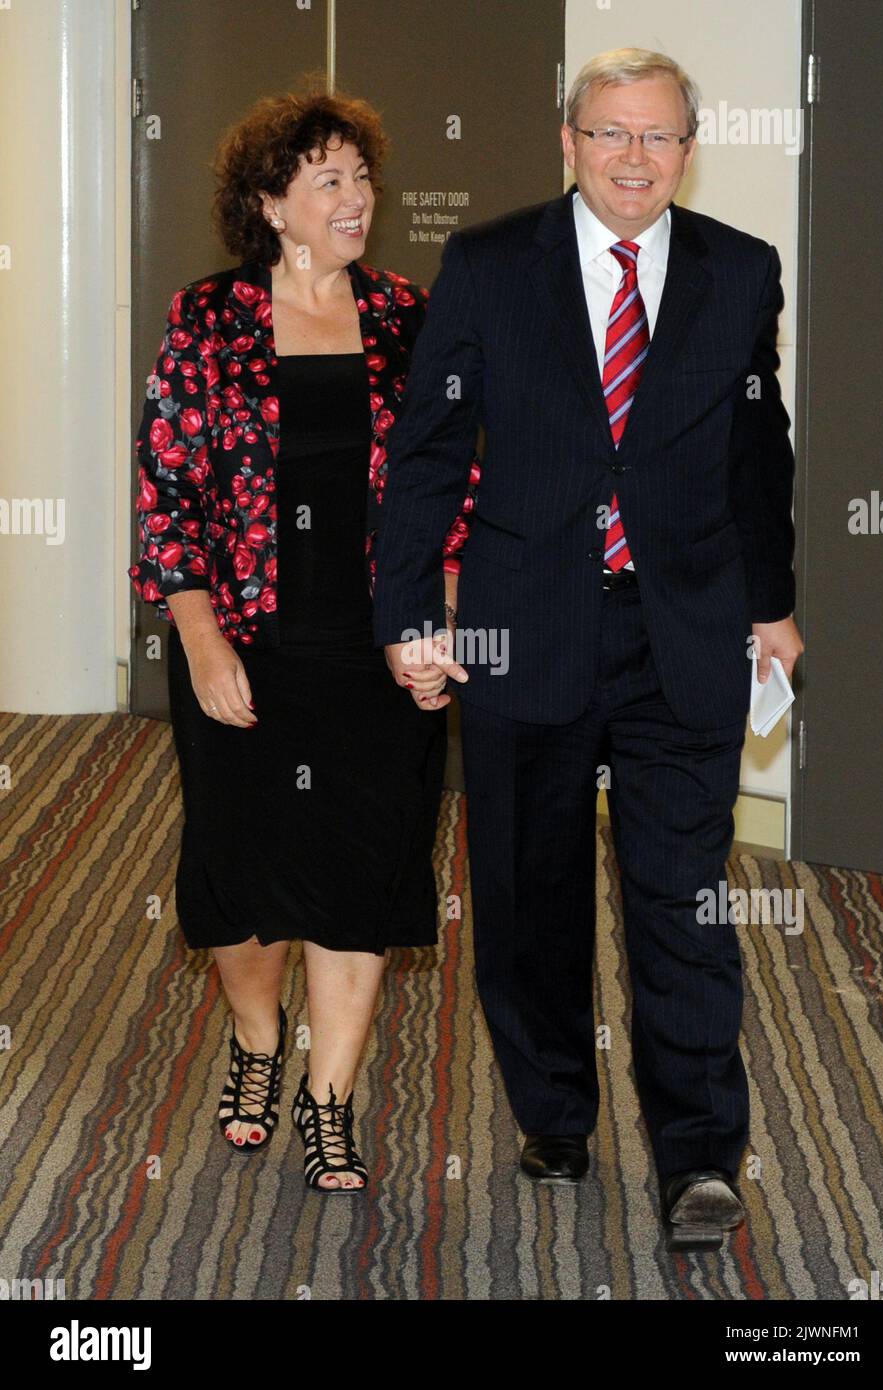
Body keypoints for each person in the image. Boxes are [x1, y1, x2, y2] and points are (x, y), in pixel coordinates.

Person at [372, 48, 804, 1248]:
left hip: (684, 630)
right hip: (524, 628)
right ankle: (555, 1109)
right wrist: (409, 612)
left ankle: (698, 1155)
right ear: (569, 143)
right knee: (528, 895)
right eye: (610, 132)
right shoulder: (488, 264)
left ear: (687, 151)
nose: (633, 157)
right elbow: (427, 452)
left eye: (657, 136)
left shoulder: (739, 270)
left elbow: (754, 452)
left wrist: (770, 601)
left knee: (684, 902)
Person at [129, 88, 473, 1191]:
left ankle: (330, 1099)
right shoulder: (207, 318)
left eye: (362, 177)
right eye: (329, 180)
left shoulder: (409, 317)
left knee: (360, 872)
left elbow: (455, 484)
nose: (356, 197)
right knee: (238, 875)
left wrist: (436, 613)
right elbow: (167, 491)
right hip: (244, 641)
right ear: (271, 205)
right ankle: (256, 1038)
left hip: (373, 649)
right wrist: (199, 638)